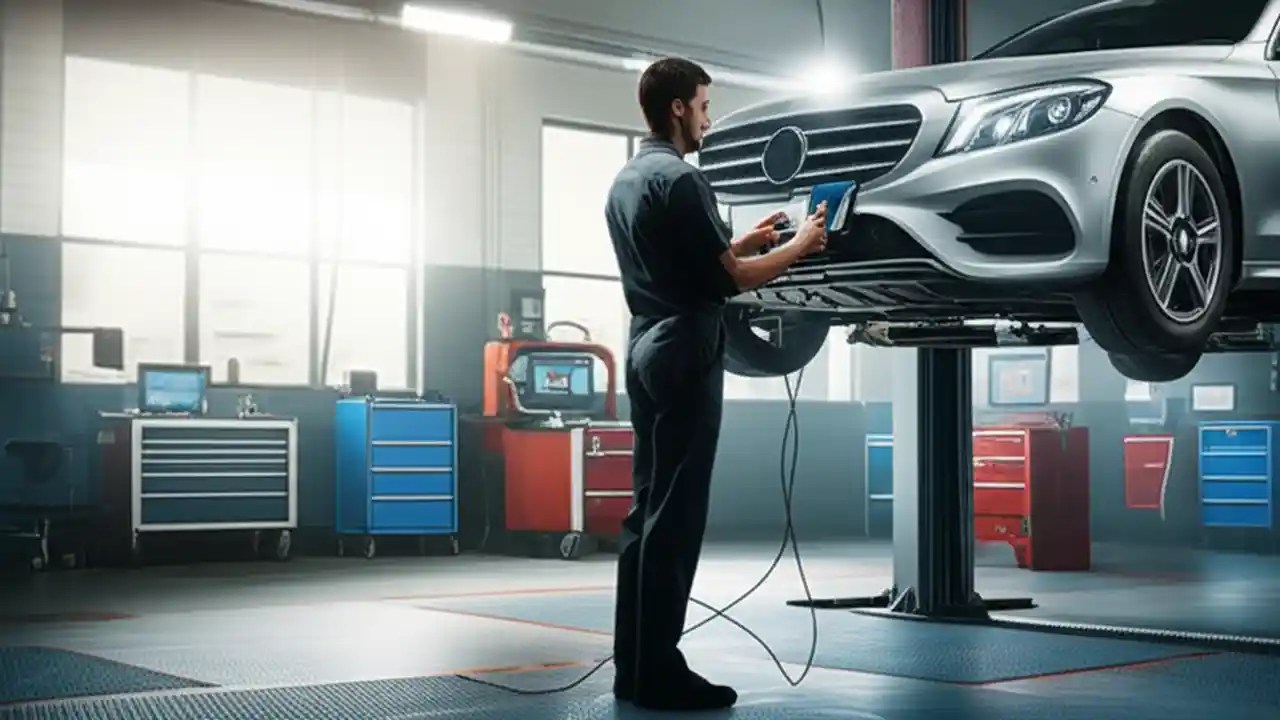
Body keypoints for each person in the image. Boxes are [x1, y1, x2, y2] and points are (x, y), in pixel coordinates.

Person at [604, 57, 830, 711]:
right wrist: (803, 242)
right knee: (678, 516)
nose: (708, 115)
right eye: (704, 104)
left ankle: (634, 669)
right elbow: (732, 278)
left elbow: (696, 254)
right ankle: (663, 673)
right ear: (678, 108)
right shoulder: (682, 179)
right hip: (685, 347)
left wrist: (751, 237)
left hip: (643, 344)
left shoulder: (628, 178)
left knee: (646, 513)